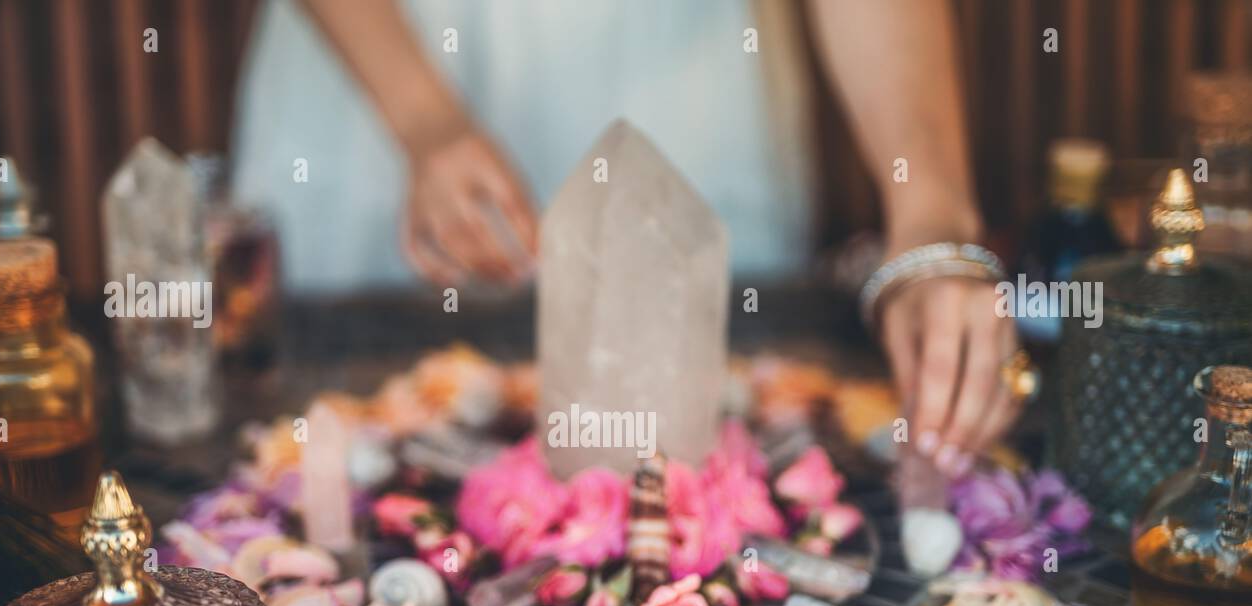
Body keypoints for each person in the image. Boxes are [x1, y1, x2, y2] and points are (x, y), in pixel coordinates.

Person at [233, 0, 1020, 477]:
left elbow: (931, 223)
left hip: (685, 79)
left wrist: (931, 220)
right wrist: (423, 120)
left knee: (710, 409)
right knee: (372, 433)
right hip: (390, 53)